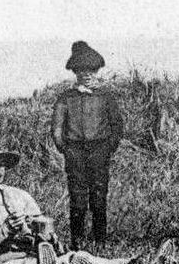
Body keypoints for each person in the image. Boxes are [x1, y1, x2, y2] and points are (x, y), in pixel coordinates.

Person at [52, 41, 125, 249]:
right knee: (77, 196)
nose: (86, 74)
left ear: (97, 71)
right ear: (75, 72)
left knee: (99, 194)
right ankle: (77, 242)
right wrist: (65, 149)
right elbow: (57, 127)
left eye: (90, 70)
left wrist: (108, 147)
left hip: (99, 151)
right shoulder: (66, 98)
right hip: (75, 152)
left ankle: (100, 240)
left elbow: (117, 126)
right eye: (80, 70)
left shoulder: (105, 97)